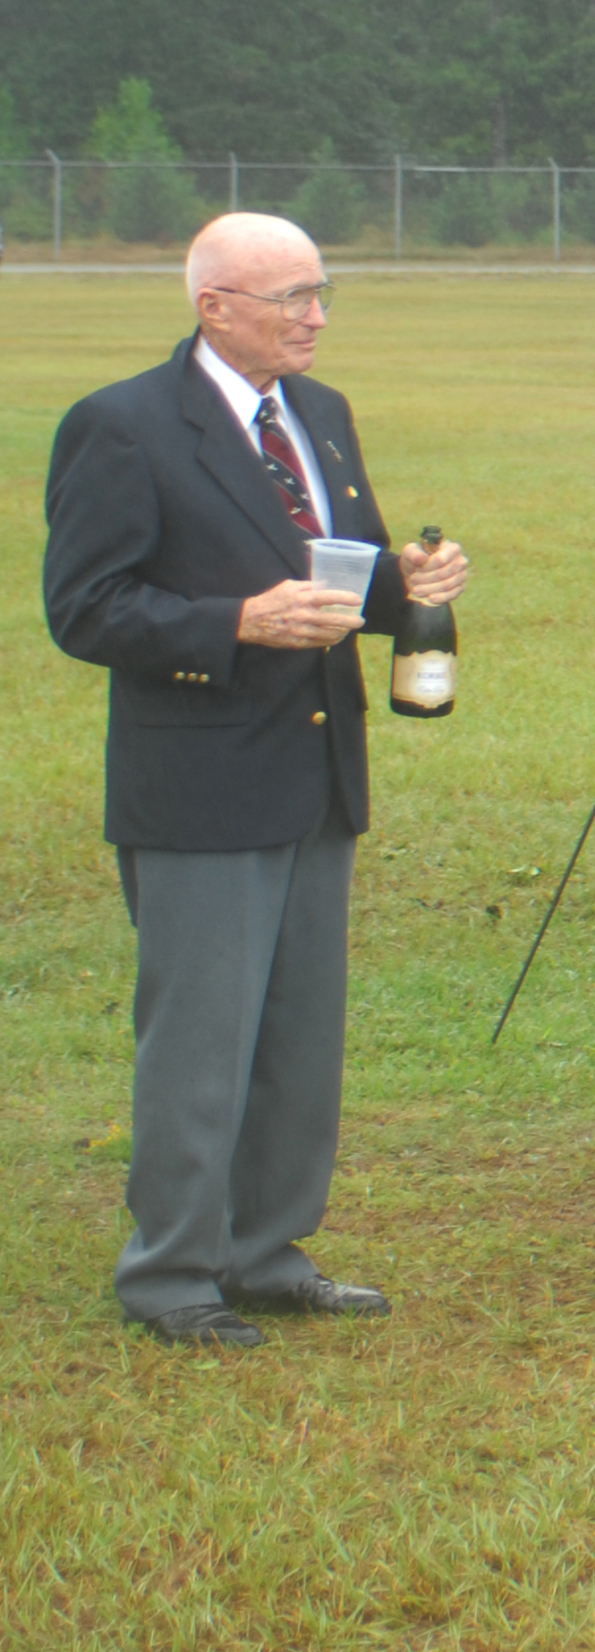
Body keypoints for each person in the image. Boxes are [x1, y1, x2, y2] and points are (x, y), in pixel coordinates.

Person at [42, 212, 467, 1349]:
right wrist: (236, 622)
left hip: (315, 773)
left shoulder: (320, 418)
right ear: (213, 307)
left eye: (321, 293)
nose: (315, 316)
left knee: (297, 1034)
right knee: (200, 1042)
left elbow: (351, 580)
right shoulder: (123, 427)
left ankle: (266, 1252)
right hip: (200, 787)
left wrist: (411, 582)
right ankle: (171, 1275)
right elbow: (84, 608)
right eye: (289, 297)